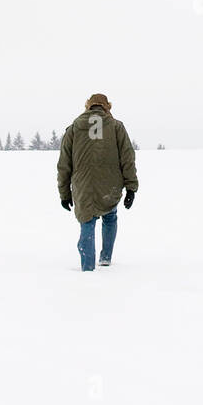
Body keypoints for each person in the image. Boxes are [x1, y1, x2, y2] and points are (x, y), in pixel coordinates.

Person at [57, 93, 138, 271]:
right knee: (110, 217)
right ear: (107, 107)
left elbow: (64, 163)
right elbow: (127, 158)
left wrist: (64, 194)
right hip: (111, 185)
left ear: (88, 106)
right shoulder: (116, 127)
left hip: (83, 186)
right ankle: (105, 258)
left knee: (87, 221)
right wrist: (131, 187)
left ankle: (87, 268)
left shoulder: (74, 127)